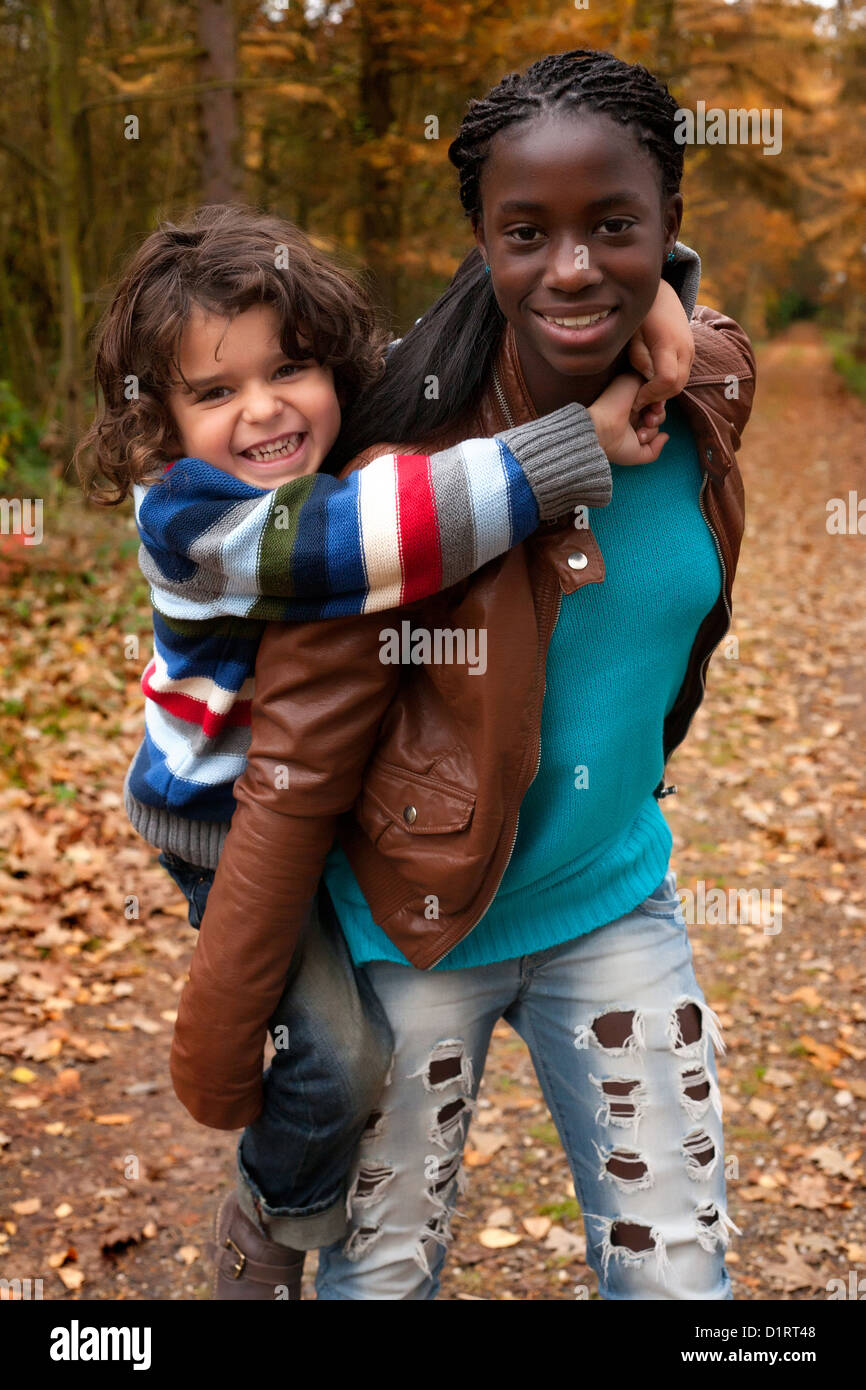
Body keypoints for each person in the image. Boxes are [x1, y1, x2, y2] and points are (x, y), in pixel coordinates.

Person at [169, 48, 757, 1299]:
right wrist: (228, 1036)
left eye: (614, 226)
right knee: (378, 1279)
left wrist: (668, 297)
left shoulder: (697, 388)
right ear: (480, 243)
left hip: (614, 904)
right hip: (411, 932)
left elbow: (694, 328)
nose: (572, 267)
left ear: (666, 227)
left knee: (681, 1277)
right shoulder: (405, 485)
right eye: (524, 232)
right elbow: (293, 768)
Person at [75, 201, 694, 1298]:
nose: (263, 411)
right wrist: (561, 455)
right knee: (341, 1060)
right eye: (214, 393)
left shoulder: (348, 425)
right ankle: (266, 1220)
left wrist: (650, 287)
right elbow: (365, 541)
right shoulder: (192, 517)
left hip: (333, 815)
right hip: (224, 830)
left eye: (290, 370)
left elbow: (461, 338)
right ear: (162, 424)